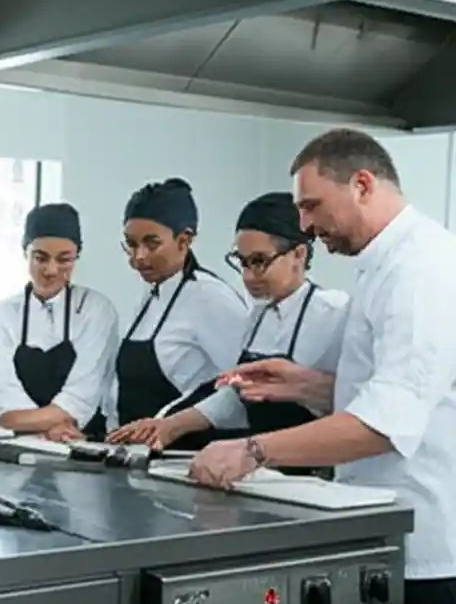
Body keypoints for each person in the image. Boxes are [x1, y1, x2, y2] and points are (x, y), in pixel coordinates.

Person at [190, 129, 456, 604]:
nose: (306, 225)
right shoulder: (382, 265)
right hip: (385, 528)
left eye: (311, 206)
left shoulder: (420, 270)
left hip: (431, 547)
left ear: (361, 184)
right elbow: (389, 389)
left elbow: (386, 421)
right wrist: (309, 386)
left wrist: (253, 449)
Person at [110, 192, 348, 474]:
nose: (248, 276)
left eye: (259, 262)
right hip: (264, 471)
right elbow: (236, 396)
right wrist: (169, 426)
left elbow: (348, 405)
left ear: (299, 254)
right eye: (242, 261)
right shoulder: (258, 316)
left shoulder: (334, 314)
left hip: (311, 475)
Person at [107, 178, 248, 450]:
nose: (138, 257)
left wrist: (170, 422)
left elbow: (242, 383)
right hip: (138, 457)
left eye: (151, 244)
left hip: (187, 458)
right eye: (131, 244)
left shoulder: (210, 297)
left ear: (184, 240)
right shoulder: (151, 296)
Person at [0, 202, 119, 441]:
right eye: (40, 258)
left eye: (64, 260)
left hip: (78, 442)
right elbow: (0, 404)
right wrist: (48, 428)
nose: (51, 270)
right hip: (16, 445)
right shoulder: (1, 314)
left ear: (77, 257)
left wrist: (31, 422)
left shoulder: (96, 309)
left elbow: (83, 396)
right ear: (25, 253)